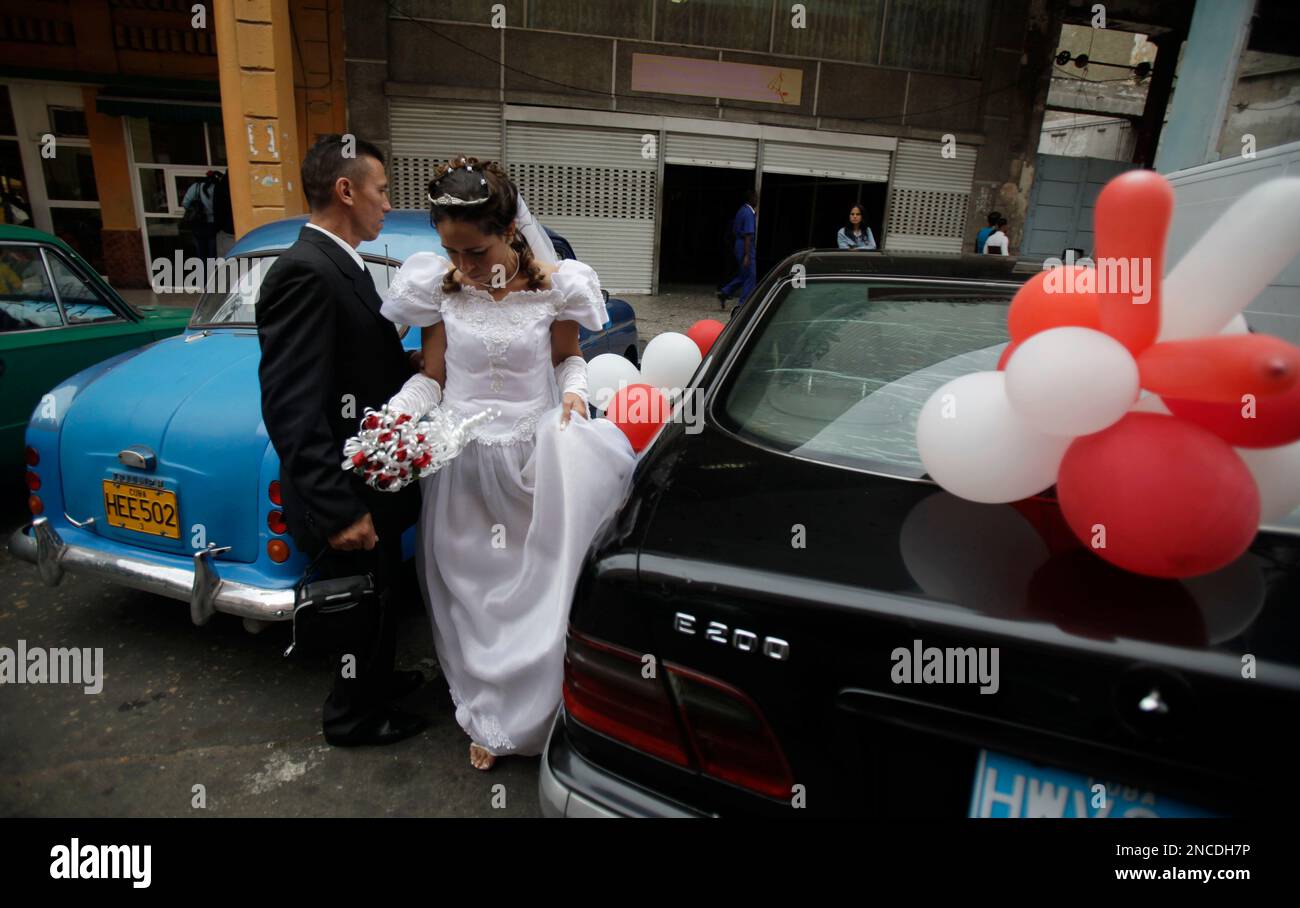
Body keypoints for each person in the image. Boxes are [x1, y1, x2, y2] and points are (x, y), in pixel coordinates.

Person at [377, 155, 638, 771]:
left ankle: (538, 713)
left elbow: (568, 363)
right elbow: (433, 379)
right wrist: (394, 416)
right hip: (463, 467)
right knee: (473, 596)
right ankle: (486, 713)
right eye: (453, 252)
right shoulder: (439, 290)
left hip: (535, 463)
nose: (464, 267)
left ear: (509, 231)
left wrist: (575, 392)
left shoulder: (557, 287)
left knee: (537, 592)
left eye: (475, 251)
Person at [255, 134, 428, 748]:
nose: (387, 204)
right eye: (381, 191)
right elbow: (292, 405)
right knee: (357, 603)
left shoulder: (342, 263)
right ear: (346, 190)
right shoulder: (304, 271)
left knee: (378, 598)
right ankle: (354, 717)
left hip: (373, 478)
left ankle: (376, 682)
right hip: (347, 491)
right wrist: (336, 508)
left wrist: (419, 367)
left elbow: (358, 366)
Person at [717, 189, 758, 309]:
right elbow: (748, 235)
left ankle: (725, 292)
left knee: (743, 274)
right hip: (746, 246)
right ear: (751, 199)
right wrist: (746, 254)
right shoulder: (748, 213)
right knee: (751, 275)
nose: (757, 199)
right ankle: (743, 304)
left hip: (739, 244)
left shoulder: (741, 210)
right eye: (755, 197)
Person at [182, 173, 219, 274]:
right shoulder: (216, 188)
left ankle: (203, 279)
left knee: (201, 254)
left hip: (198, 224)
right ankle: (212, 278)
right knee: (212, 255)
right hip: (212, 224)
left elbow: (185, 203)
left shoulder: (195, 187)